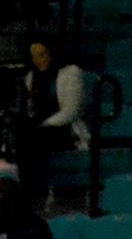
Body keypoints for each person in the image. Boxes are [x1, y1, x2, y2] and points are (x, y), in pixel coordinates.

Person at [18, 36, 89, 196]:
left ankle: (40, 189)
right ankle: (31, 190)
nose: (38, 60)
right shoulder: (31, 77)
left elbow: (70, 112)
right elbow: (30, 109)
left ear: (52, 53)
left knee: (35, 136)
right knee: (24, 133)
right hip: (38, 128)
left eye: (42, 54)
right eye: (34, 56)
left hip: (64, 128)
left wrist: (44, 124)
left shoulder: (71, 73)